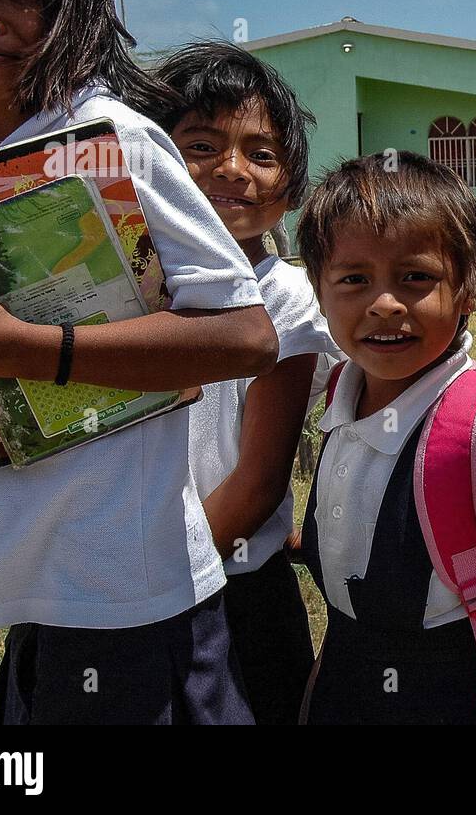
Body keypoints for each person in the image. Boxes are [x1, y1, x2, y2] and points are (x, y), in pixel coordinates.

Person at [0, 0, 278, 724]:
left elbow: (248, 335)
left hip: (128, 591)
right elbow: (36, 351)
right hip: (44, 583)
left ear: (76, 0)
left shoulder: (110, 141)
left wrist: (10, 349)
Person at [294, 152, 476, 724]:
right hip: (346, 678)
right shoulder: (340, 397)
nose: (384, 304)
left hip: (450, 694)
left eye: (416, 278)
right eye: (354, 279)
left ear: (466, 292)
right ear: (319, 291)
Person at [153, 41, 342, 725]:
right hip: (112, 586)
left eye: (261, 154)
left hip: (230, 592)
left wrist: (160, 580)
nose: (231, 170)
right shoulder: (127, 289)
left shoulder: (283, 296)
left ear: (289, 187)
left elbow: (260, 485)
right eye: (200, 144)